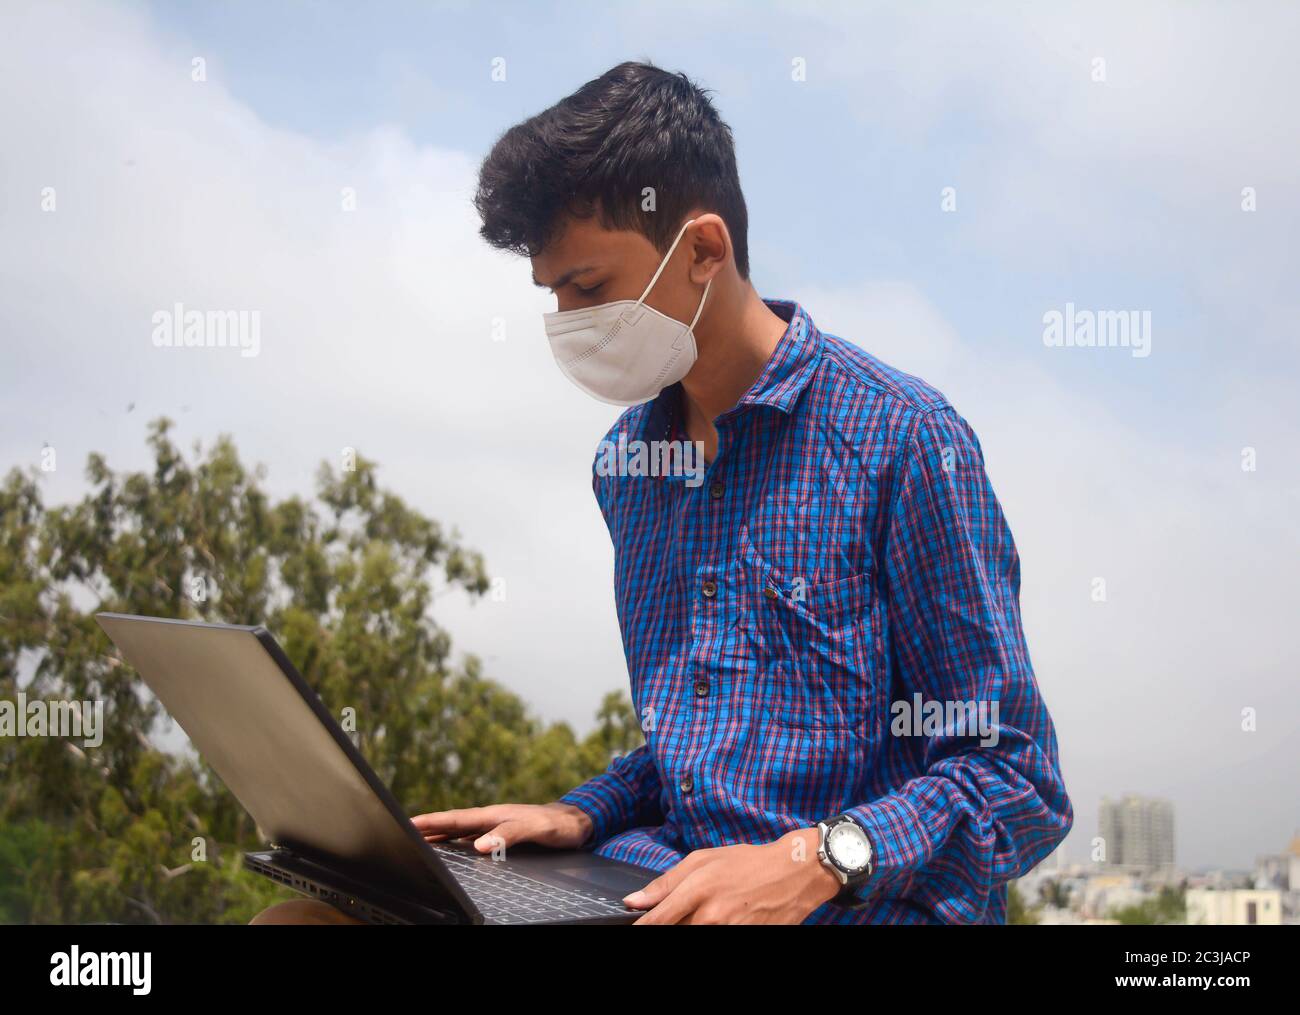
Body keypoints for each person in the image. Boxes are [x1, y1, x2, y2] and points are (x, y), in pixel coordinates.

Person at [255, 60, 1072, 926]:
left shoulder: (903, 441)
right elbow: (699, 743)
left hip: (848, 905)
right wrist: (584, 811)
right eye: (553, 294)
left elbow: (1014, 775)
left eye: (591, 287)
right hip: (653, 891)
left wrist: (818, 857)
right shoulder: (630, 467)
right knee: (302, 922)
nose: (569, 320)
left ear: (703, 251)